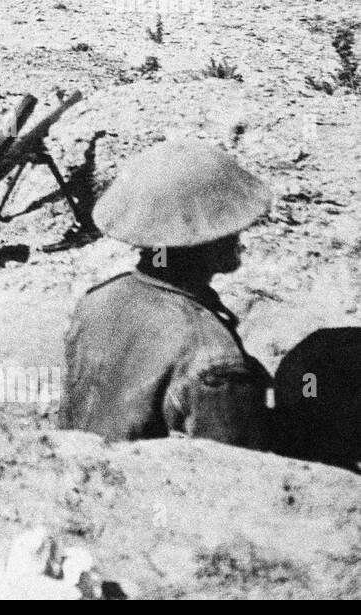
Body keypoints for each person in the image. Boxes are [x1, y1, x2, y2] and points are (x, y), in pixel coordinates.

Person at [60, 139, 273, 447]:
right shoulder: (210, 354)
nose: (238, 237)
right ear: (200, 241)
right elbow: (239, 472)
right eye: (227, 227)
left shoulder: (95, 302)